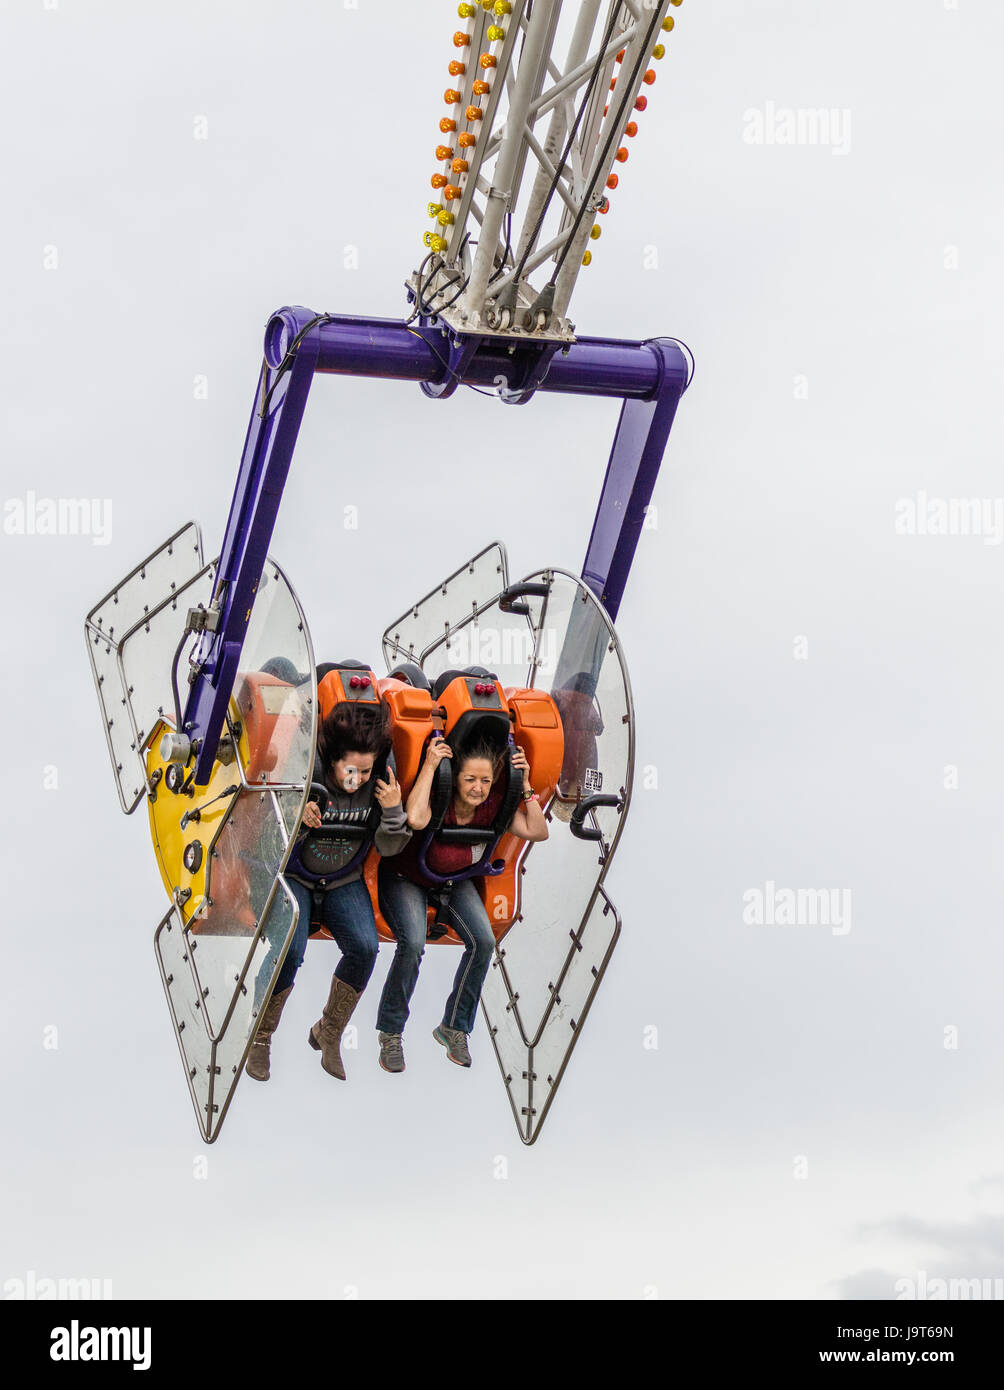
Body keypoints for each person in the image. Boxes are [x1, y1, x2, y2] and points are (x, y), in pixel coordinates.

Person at [246, 697, 411, 1083]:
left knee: (365, 947)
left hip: (341, 879)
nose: (358, 779)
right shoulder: (307, 773)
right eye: (350, 770)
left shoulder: (379, 783)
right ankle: (260, 1035)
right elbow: (268, 841)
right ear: (332, 761)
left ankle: (330, 1031)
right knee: (292, 946)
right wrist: (295, 816)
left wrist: (392, 811)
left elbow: (390, 847)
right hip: (297, 875)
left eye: (366, 771)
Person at [374, 736, 548, 1072]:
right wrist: (429, 765)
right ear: (456, 777)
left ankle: (454, 1027)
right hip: (407, 878)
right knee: (411, 943)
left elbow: (537, 831)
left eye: (485, 781)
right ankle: (391, 1033)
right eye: (470, 780)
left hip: (454, 882)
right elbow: (415, 818)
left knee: (484, 942)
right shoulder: (440, 797)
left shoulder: (495, 805)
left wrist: (525, 787)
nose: (478, 789)